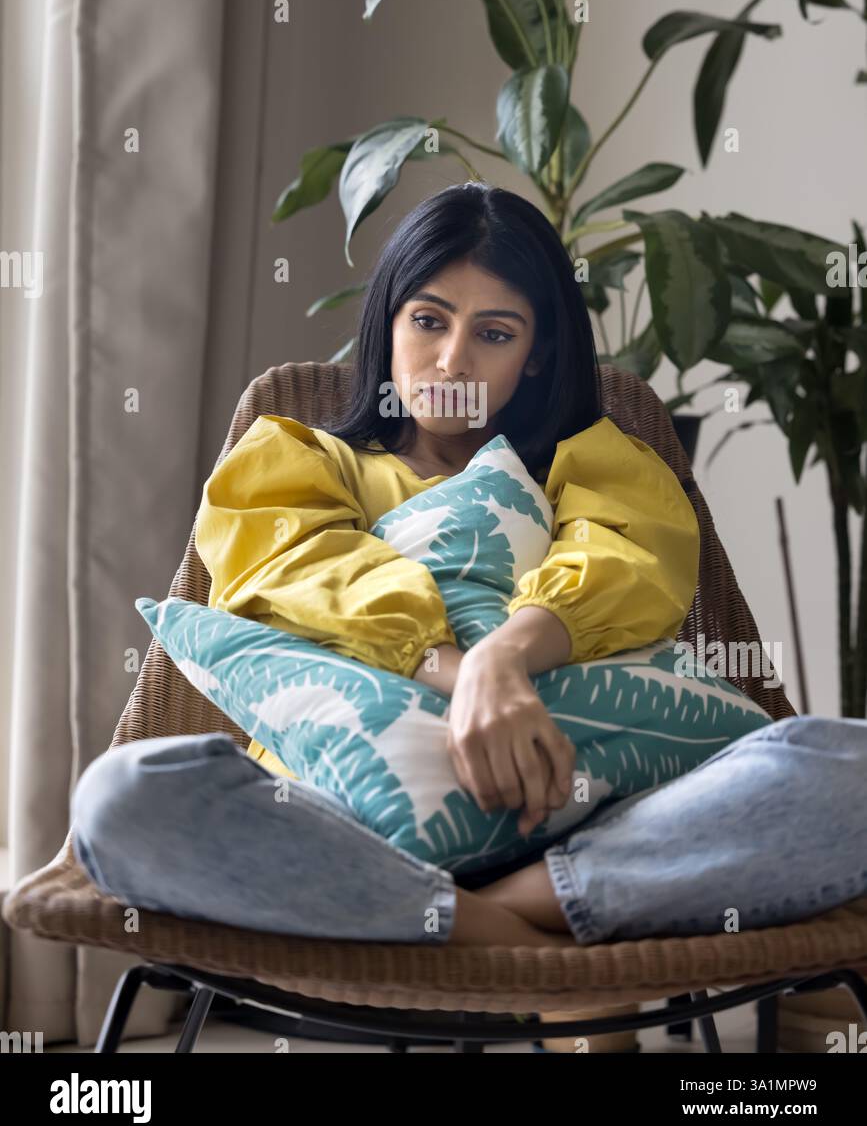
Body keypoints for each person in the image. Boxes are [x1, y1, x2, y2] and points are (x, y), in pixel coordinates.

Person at [71, 183, 867, 949]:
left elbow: (627, 566)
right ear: (386, 323)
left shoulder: (595, 464)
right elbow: (294, 579)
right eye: (428, 320)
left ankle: (492, 907)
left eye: (493, 333)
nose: (450, 361)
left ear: (535, 352)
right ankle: (525, 935)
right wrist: (456, 672)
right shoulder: (302, 461)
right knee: (120, 798)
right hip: (347, 828)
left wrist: (505, 659)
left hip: (607, 816)